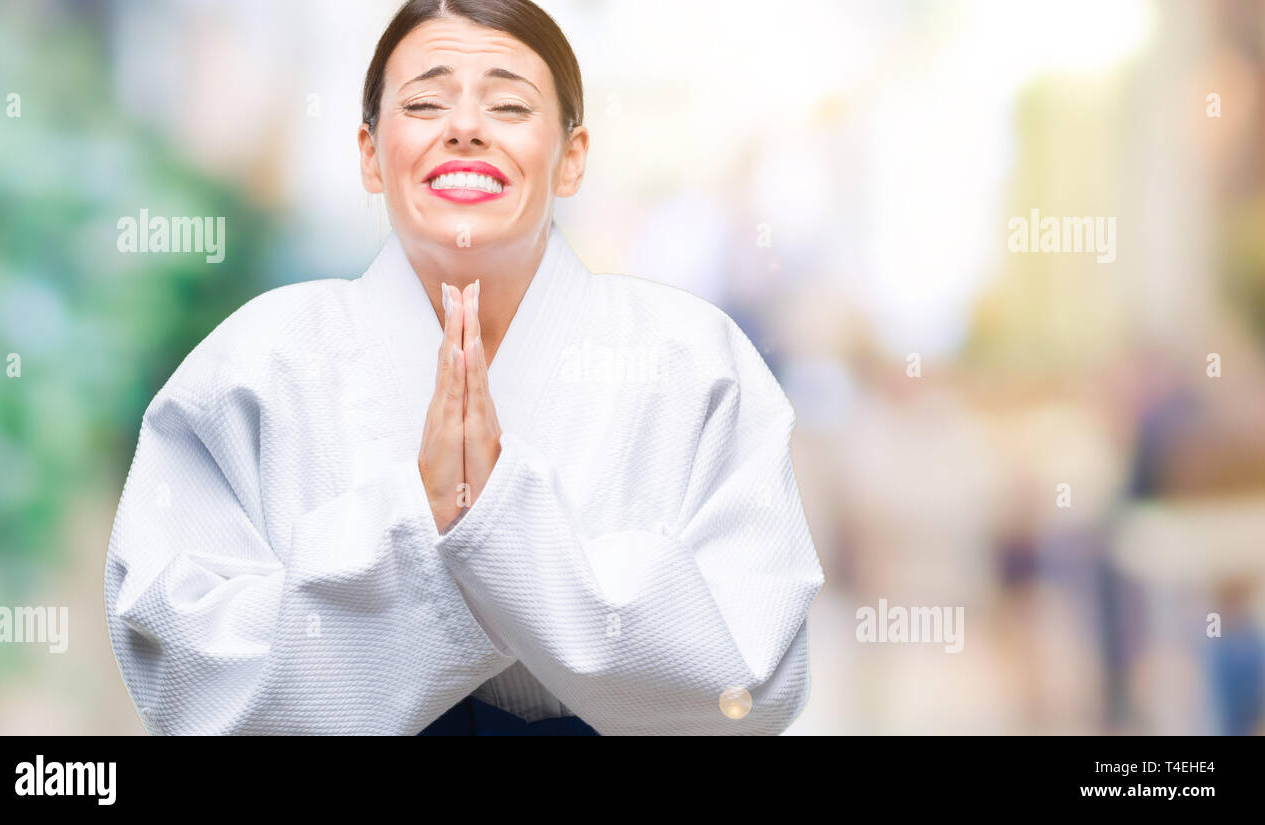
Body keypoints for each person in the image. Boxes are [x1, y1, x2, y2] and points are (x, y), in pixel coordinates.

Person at [103, 0, 825, 735]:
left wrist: (504, 525)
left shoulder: (695, 361)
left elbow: (751, 674)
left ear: (572, 157)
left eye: (510, 104)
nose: (466, 127)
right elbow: (178, 650)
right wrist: (412, 522)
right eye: (424, 103)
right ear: (369, 152)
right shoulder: (254, 364)